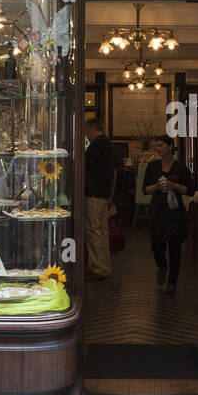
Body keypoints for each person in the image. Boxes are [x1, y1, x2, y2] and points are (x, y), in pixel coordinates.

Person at [142, 134, 195, 294]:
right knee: (156, 244)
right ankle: (162, 266)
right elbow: (145, 189)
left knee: (175, 247)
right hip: (158, 210)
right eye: (157, 146)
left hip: (174, 212)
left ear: (170, 147)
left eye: (161, 145)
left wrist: (173, 185)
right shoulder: (153, 167)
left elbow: (189, 190)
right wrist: (158, 186)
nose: (158, 148)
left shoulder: (180, 168)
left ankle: (172, 281)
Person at [83, 116, 115, 280]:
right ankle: (102, 265)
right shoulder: (106, 143)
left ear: (92, 128)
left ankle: (99, 268)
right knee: (101, 231)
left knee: (94, 231)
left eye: (87, 131)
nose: (86, 134)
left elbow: (85, 163)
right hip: (102, 193)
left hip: (94, 193)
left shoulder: (98, 144)